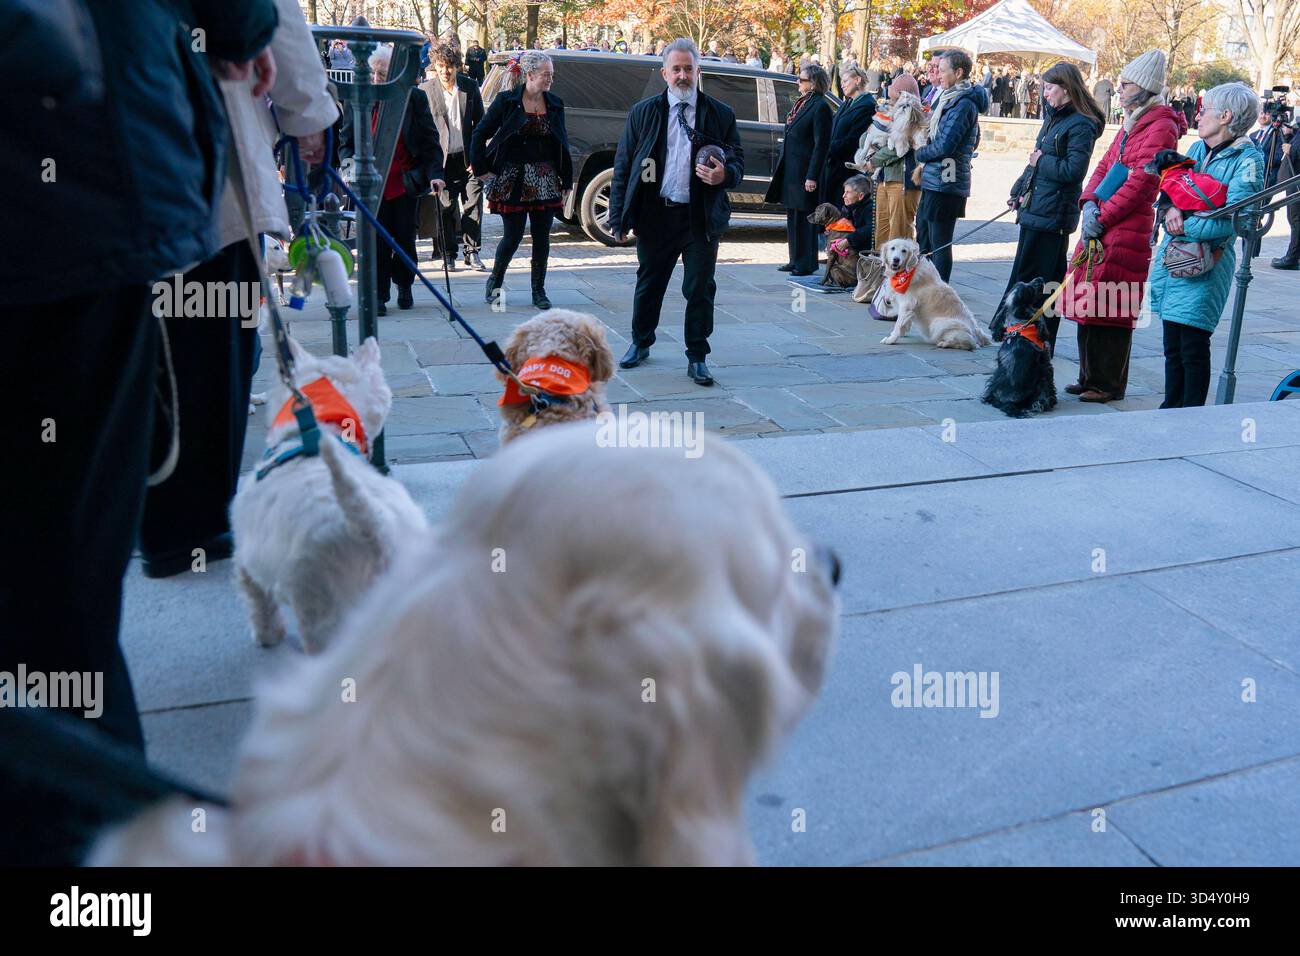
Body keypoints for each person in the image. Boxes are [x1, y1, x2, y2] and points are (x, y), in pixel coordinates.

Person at [2, 0, 277, 836]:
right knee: (58, 595)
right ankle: (78, 856)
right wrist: (239, 30)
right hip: (63, 169)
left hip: (65, 169)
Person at [609, 37, 744, 386]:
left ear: (698, 71)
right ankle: (640, 342)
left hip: (700, 217)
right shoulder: (643, 113)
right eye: (676, 69)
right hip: (656, 214)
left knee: (700, 287)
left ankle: (697, 355)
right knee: (649, 283)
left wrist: (724, 174)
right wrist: (617, 217)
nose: (682, 75)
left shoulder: (720, 114)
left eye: (688, 69)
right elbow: (624, 166)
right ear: (664, 73)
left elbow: (738, 161)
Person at [1061, 48, 1185, 403]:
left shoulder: (1161, 125)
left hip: (1124, 227)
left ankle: (1108, 383)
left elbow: (1143, 182)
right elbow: (1104, 167)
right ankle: (1088, 376)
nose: (1119, 89)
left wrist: (1103, 215)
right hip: (1103, 224)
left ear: (1144, 88)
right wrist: (1087, 205)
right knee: (1090, 301)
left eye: (1126, 84)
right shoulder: (1131, 122)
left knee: (1112, 306)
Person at [1147, 83, 1264, 408]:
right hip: (1176, 260)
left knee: (1193, 345)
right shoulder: (1197, 150)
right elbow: (1172, 190)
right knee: (1172, 344)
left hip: (1206, 265)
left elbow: (1237, 218)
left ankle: (1191, 418)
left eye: (1205, 109)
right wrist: (1170, 208)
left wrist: (1184, 223)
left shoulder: (1247, 159)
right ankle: (1171, 408)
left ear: (1225, 116)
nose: (1198, 114)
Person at [1003, 62, 1104, 353]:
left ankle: (1038, 337)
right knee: (1023, 274)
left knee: (1043, 280)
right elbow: (1034, 160)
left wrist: (1039, 162)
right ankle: (1017, 331)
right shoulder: (1053, 118)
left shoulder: (1081, 124)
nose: (1044, 93)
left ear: (1066, 89)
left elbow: (1073, 170)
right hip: (1035, 208)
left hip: (1054, 213)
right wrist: (1018, 190)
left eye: (1049, 88)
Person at [340, 44, 445, 316]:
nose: (376, 78)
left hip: (403, 183)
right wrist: (349, 170)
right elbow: (345, 143)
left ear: (395, 74)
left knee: (404, 240)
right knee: (375, 242)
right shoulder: (357, 100)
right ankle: (379, 294)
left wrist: (435, 175)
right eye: (373, 72)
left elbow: (429, 141)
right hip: (370, 186)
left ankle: (404, 283)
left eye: (382, 72)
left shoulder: (414, 98)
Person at [471, 51, 573, 310]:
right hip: (512, 179)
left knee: (542, 239)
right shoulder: (507, 101)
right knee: (512, 237)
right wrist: (480, 168)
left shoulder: (556, 103)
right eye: (545, 74)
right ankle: (496, 280)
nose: (550, 79)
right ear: (529, 75)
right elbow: (480, 132)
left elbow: (562, 143)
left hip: (545, 178)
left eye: (552, 74)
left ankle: (539, 291)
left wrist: (567, 180)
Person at [913, 49, 989, 283]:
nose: (939, 74)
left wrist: (920, 153)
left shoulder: (963, 103)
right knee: (924, 235)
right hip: (936, 178)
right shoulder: (951, 98)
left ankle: (940, 291)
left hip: (946, 182)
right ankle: (924, 287)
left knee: (940, 242)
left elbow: (945, 145)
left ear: (958, 72)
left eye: (943, 70)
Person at [420, 43, 486, 272]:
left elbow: (481, 125)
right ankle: (449, 254)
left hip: (468, 160)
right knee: (446, 209)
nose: (445, 72)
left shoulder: (469, 87)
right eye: (440, 67)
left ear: (456, 66)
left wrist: (478, 158)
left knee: (473, 207)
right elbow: (424, 130)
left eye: (449, 67)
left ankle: (472, 252)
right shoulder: (426, 91)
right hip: (443, 161)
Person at [765, 63, 832, 275]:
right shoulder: (803, 103)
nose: (797, 82)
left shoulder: (820, 106)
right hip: (792, 170)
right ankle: (794, 259)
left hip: (805, 170)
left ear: (813, 83)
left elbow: (821, 144)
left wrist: (812, 175)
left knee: (805, 217)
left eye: (801, 80)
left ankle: (806, 262)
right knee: (793, 215)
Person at [866, 73, 924, 251]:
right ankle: (880, 271)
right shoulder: (890, 109)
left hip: (902, 179)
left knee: (899, 234)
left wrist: (874, 160)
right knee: (881, 231)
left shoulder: (911, 111)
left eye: (892, 87)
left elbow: (899, 145)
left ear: (900, 92)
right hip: (885, 177)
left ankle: (901, 276)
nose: (888, 91)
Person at [823, 64, 877, 214]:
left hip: (847, 170)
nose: (842, 84)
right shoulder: (847, 102)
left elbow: (854, 140)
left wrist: (827, 148)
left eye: (846, 81)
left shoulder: (866, 105)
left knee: (841, 216)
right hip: (835, 166)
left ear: (858, 80)